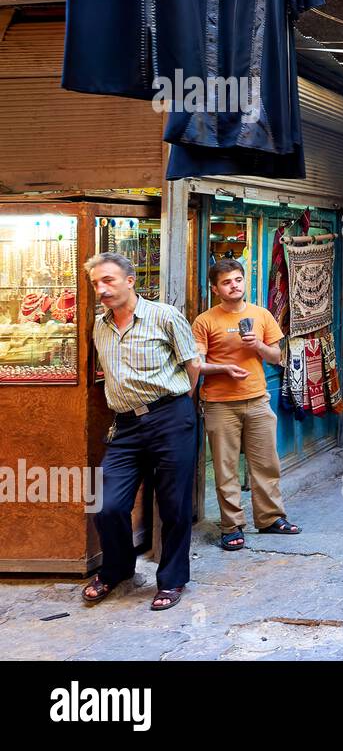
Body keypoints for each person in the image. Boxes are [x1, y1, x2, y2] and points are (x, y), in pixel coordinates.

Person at [81, 253, 201, 612]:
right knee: (105, 503)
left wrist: (177, 409)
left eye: (109, 281)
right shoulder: (99, 326)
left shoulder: (164, 316)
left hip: (170, 418)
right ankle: (116, 569)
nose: (102, 289)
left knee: (174, 506)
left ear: (130, 281)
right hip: (126, 425)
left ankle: (172, 579)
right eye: (96, 284)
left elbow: (192, 365)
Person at [192, 259, 301, 552]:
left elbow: (276, 357)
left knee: (266, 463)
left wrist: (258, 347)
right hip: (219, 404)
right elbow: (196, 364)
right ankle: (232, 526)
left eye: (238, 279)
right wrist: (224, 368)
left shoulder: (261, 315)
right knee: (226, 468)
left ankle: (270, 518)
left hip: (257, 399)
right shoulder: (205, 321)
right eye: (227, 282)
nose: (234, 285)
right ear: (216, 289)